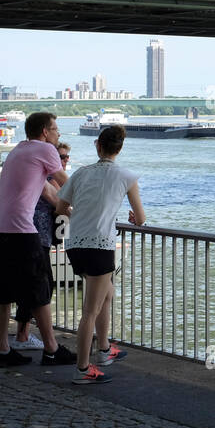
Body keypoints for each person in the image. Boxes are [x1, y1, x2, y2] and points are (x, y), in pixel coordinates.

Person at [56, 125, 145, 384]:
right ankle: (83, 369)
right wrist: (129, 217)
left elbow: (61, 209)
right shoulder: (126, 176)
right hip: (100, 246)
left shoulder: (81, 173)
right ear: (120, 147)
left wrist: (84, 215)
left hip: (75, 244)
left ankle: (104, 350)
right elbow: (140, 218)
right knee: (90, 311)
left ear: (98, 145)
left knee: (107, 294)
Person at [0, 112, 75, 367]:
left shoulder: (18, 150)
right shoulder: (46, 149)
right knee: (39, 289)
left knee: (3, 291)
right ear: (45, 132)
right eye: (56, 129)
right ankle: (51, 349)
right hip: (22, 231)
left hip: (0, 229)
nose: (58, 134)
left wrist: (70, 210)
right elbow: (67, 185)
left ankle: (2, 351)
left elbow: (49, 191)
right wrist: (90, 206)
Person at [13, 140, 71, 351]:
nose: (65, 160)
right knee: (40, 286)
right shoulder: (45, 179)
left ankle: (24, 334)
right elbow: (58, 202)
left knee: (37, 285)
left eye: (66, 157)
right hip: (35, 237)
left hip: (41, 237)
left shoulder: (48, 178)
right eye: (61, 157)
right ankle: (26, 337)